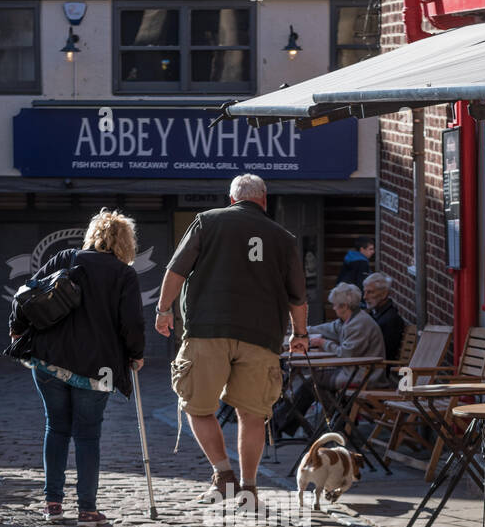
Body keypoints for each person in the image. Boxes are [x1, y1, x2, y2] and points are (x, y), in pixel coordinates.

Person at [155, 173, 308, 503]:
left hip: (208, 330)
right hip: (262, 335)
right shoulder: (283, 238)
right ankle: (250, 487)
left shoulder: (206, 222)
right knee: (252, 415)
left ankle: (224, 474)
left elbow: (176, 269)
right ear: (264, 200)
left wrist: (164, 309)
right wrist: (300, 334)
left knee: (196, 405)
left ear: (231, 200)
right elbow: (298, 296)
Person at [13, 207, 145, 527]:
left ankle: (52, 505)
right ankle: (87, 509)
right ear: (125, 242)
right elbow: (132, 323)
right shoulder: (124, 275)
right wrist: (136, 354)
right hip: (96, 367)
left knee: (56, 427)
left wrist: (17, 330)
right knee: (87, 435)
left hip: (49, 360)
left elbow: (25, 294)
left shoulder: (65, 259)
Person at [275, 282, 388, 436]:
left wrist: (323, 343)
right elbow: (325, 329)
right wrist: (299, 332)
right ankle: (333, 424)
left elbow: (346, 353)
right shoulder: (347, 321)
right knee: (313, 384)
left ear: (344, 306)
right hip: (351, 371)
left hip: (364, 375)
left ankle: (283, 424)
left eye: (335, 305)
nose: (333, 308)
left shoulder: (359, 324)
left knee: (314, 382)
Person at [363, 271, 407, 360]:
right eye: (365, 292)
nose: (365, 297)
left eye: (370, 292)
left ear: (384, 294)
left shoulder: (391, 320)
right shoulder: (375, 314)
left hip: (378, 368)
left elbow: (384, 353)